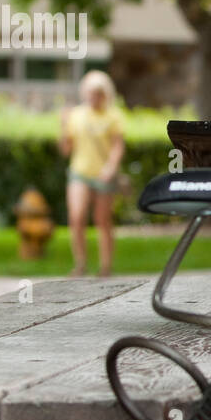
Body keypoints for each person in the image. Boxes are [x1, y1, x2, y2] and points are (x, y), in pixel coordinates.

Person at [59, 69, 125, 278]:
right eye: (90, 92)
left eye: (98, 93)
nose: (93, 97)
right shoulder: (76, 115)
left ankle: (106, 266)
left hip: (102, 174)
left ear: (106, 94)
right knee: (76, 216)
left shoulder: (113, 116)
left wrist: (111, 168)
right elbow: (66, 150)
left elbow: (117, 146)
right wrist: (62, 125)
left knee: (102, 220)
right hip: (79, 172)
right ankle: (80, 264)